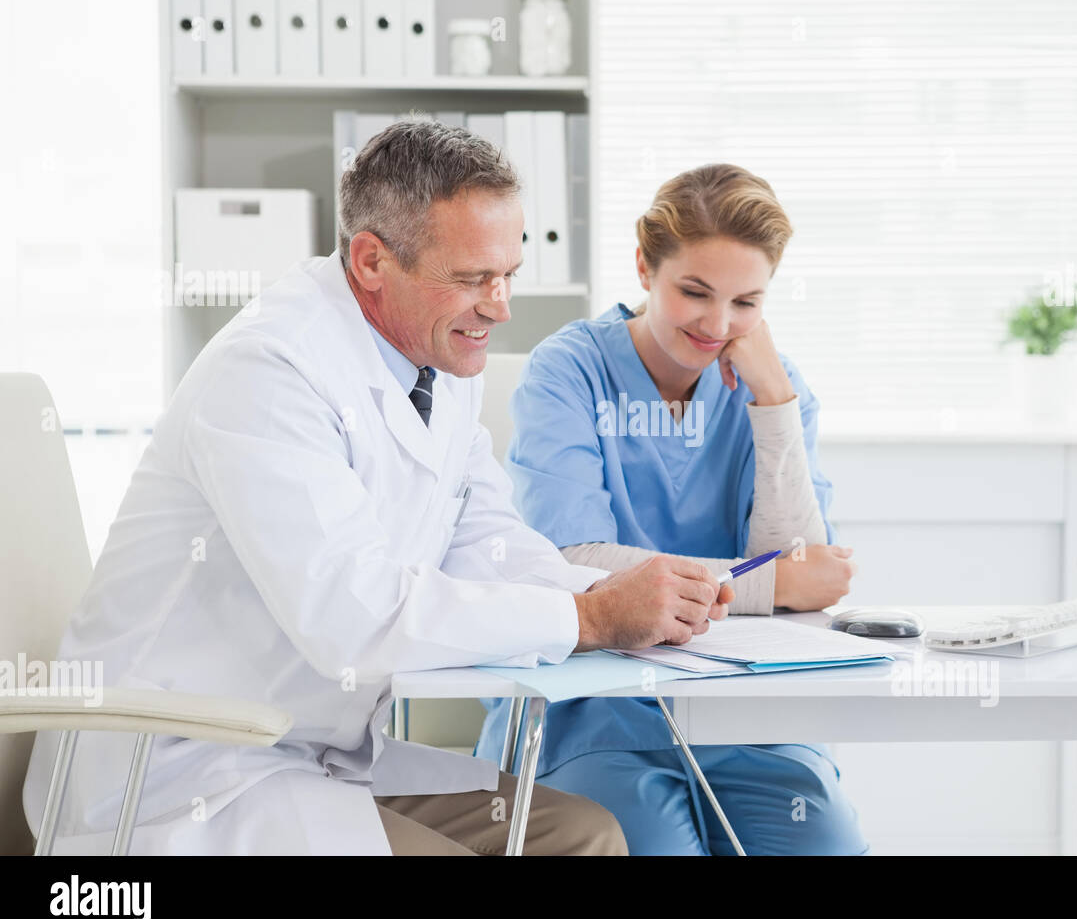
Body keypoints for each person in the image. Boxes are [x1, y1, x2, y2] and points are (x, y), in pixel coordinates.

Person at [22, 120, 735, 855]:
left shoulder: (436, 352)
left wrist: (615, 597)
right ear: (370, 261)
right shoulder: (269, 371)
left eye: (508, 273)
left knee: (583, 837)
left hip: (311, 751)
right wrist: (588, 620)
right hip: (177, 766)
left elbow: (486, 543)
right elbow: (351, 619)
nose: (500, 305)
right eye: (471, 278)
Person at [477, 163, 867, 855]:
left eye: (746, 302)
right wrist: (769, 584)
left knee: (822, 842)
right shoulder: (568, 371)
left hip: (750, 712)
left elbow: (810, 569)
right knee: (653, 845)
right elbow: (572, 560)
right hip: (596, 709)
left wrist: (772, 402)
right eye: (695, 292)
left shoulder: (775, 388)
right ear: (644, 268)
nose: (718, 324)